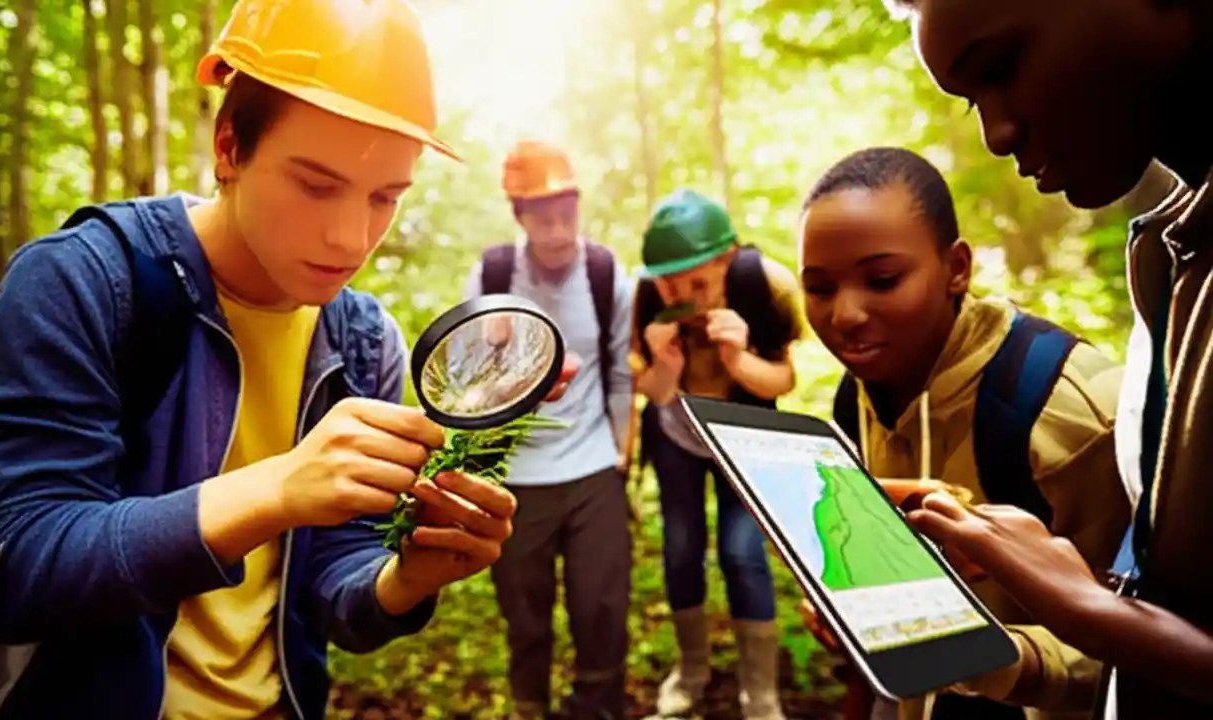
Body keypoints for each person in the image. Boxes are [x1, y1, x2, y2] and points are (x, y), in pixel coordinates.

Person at [0, 1, 563, 717]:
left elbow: (332, 593)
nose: (350, 238)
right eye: (315, 185)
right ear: (228, 147)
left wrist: (403, 579)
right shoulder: (83, 282)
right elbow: (5, 570)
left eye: (385, 196)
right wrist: (273, 491)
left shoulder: (361, 342)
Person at [868, 0, 1213, 717]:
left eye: (1001, 67)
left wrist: (1093, 612)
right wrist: (1068, 577)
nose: (997, 134)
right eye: (971, 105)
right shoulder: (1174, 255)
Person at [796, 146, 1132, 720]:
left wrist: (982, 655)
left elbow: (1151, 655)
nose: (845, 314)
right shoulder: (856, 399)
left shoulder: (1073, 413)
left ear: (956, 268)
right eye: (820, 288)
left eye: (882, 279)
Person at [464, 140, 635, 720]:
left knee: (602, 607)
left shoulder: (607, 274)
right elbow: (464, 390)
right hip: (518, 475)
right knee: (526, 615)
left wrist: (620, 456)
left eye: (568, 213)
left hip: (593, 468)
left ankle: (597, 707)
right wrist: (492, 346)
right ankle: (530, 706)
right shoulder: (491, 277)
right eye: (544, 216)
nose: (559, 229)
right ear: (519, 216)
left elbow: (620, 372)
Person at [631, 188, 802, 720]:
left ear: (728, 260)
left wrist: (738, 356)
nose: (685, 294)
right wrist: (665, 364)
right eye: (670, 283)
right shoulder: (644, 301)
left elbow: (785, 379)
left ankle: (761, 692)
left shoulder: (762, 285)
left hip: (745, 436)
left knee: (742, 553)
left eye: (699, 281)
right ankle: (693, 671)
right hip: (677, 433)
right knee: (681, 549)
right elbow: (654, 393)